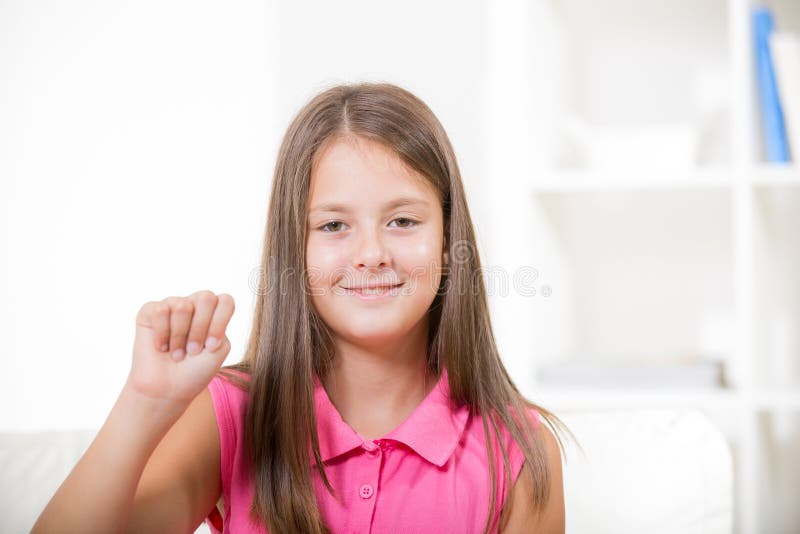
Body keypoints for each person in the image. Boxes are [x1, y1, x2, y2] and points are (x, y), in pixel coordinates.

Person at [33, 82, 570, 533]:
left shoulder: (518, 450)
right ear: (295, 246)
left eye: (403, 221)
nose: (371, 255)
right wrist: (145, 401)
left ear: (451, 240)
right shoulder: (229, 416)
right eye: (334, 225)